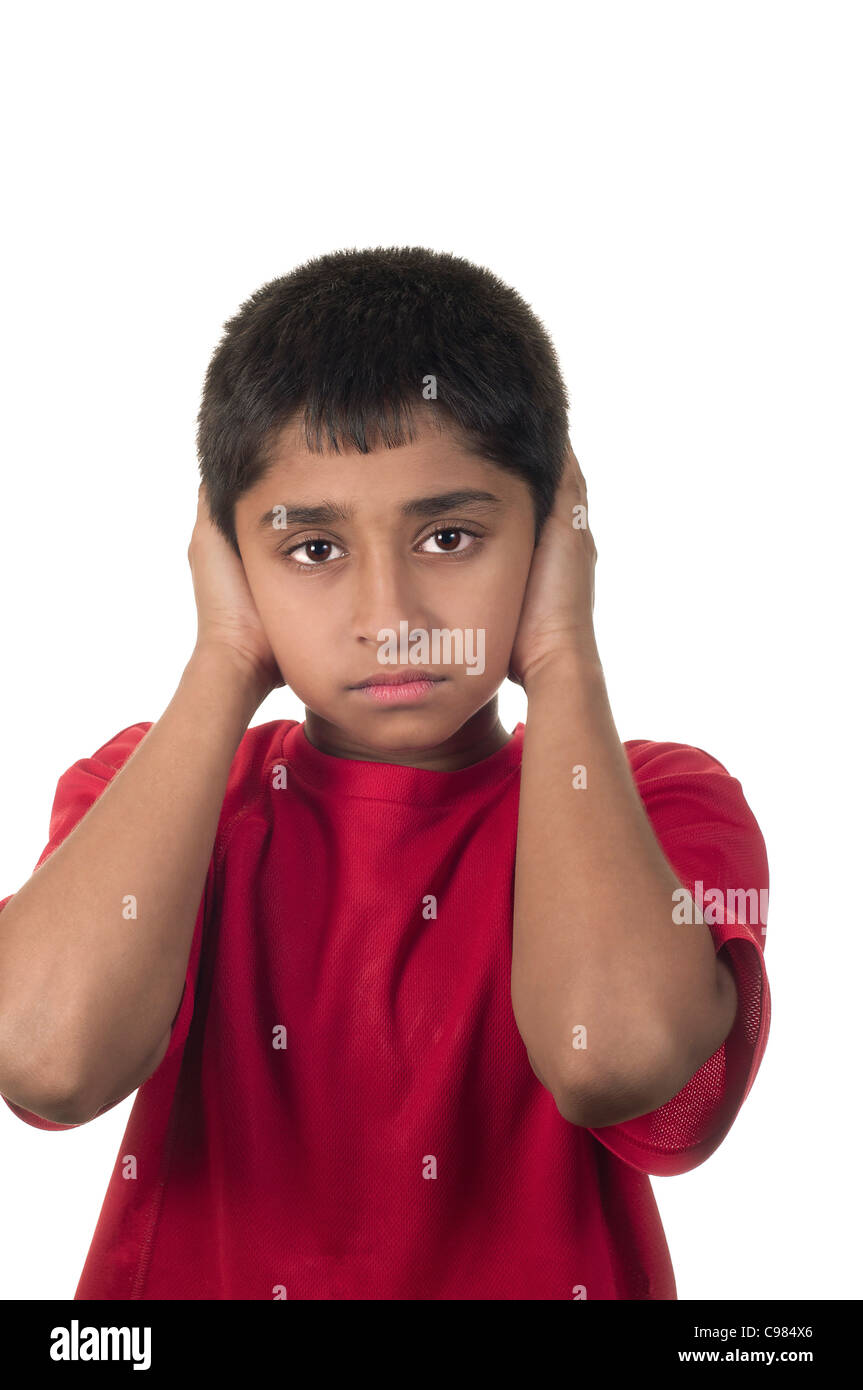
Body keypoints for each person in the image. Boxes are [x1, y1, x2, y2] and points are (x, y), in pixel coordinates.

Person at [0, 246, 770, 1299]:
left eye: (449, 535)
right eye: (311, 548)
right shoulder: (153, 786)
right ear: (227, 556)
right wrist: (223, 658)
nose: (389, 620)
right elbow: (47, 1060)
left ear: (548, 539)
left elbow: (613, 1057)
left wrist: (561, 655)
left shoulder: (661, 803)